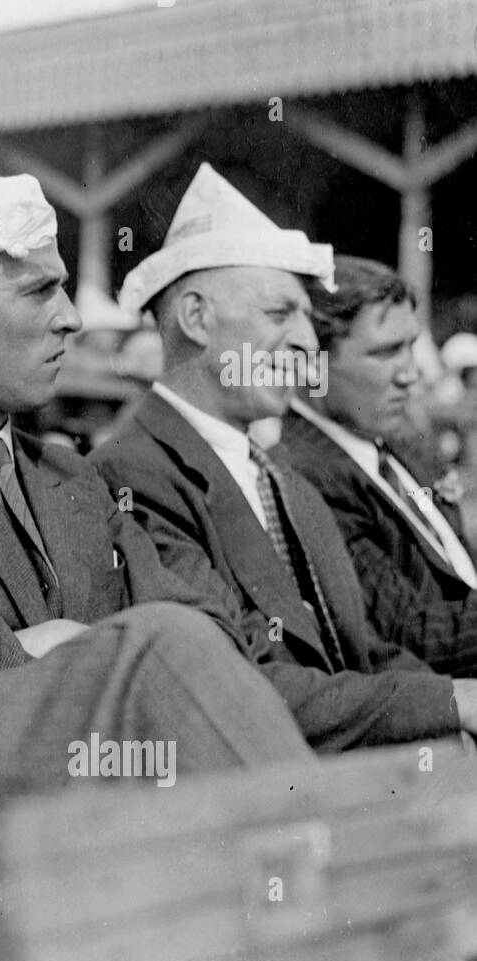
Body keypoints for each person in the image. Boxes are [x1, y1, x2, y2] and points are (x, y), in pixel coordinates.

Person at [90, 164, 477, 751]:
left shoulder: (279, 477)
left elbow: (367, 650)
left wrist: (454, 706)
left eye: (305, 315)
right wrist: (451, 702)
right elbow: (234, 684)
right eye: (280, 314)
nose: (305, 340)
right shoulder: (133, 475)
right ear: (196, 318)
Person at [0, 174, 262, 677]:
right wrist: (119, 647)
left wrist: (56, 644)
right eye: (40, 291)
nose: (72, 318)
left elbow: (210, 633)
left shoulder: (71, 475)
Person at [279, 255, 477, 676]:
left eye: (411, 346)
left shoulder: (402, 447)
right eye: (386, 352)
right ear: (313, 362)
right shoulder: (307, 473)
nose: (411, 374)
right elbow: (408, 635)